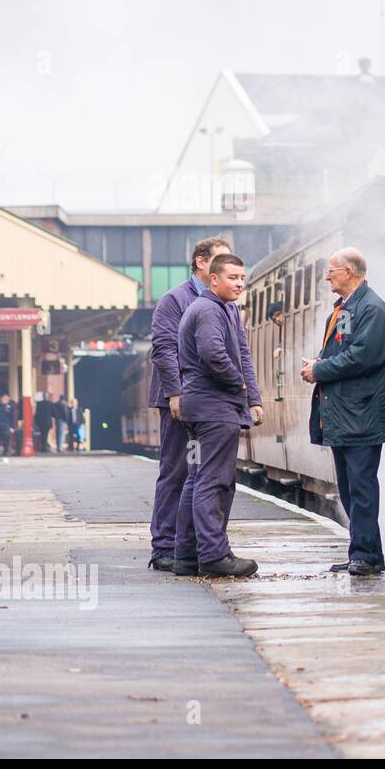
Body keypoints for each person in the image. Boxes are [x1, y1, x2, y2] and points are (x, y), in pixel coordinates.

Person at [301, 247, 385, 575]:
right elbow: (341, 349)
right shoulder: (345, 310)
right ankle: (364, 552)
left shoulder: (372, 309)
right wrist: (319, 363)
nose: (327, 276)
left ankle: (366, 557)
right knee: (349, 489)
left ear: (350, 272)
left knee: (361, 488)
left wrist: (321, 370)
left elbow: (362, 357)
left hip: (363, 416)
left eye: (332, 270)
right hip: (346, 415)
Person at [172, 253, 264, 578]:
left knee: (196, 478)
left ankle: (185, 554)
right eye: (232, 277)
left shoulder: (224, 309)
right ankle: (213, 555)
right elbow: (214, 353)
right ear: (213, 279)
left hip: (198, 411)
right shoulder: (210, 310)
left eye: (242, 278)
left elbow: (242, 353)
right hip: (215, 412)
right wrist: (237, 383)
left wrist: (253, 397)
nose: (239, 283)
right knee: (215, 480)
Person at [146, 237, 232, 571]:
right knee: (176, 470)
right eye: (221, 259)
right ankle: (164, 546)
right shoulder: (174, 300)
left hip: (208, 404)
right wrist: (176, 394)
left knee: (201, 472)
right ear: (200, 261)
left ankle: (193, 545)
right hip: (179, 402)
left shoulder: (223, 300)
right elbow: (164, 349)